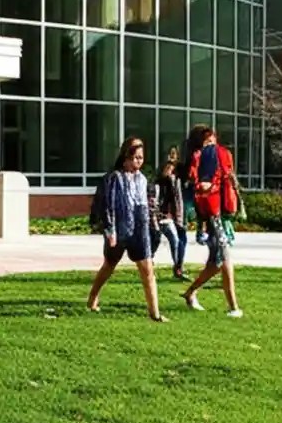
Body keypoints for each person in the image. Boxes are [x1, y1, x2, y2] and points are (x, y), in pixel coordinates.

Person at [85, 137, 166, 322]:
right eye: (135, 157)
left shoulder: (142, 179)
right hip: (120, 228)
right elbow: (108, 205)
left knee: (147, 269)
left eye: (141, 157)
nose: (138, 161)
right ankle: (92, 297)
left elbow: (148, 206)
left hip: (140, 228)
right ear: (125, 157)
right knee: (109, 265)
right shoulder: (115, 178)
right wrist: (110, 230)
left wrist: (154, 226)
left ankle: (155, 313)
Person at [181, 127, 242, 317]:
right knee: (222, 260)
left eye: (213, 139)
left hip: (221, 214)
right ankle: (233, 307)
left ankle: (191, 293)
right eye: (208, 141)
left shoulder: (218, 158)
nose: (212, 144)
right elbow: (198, 186)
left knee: (219, 262)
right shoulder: (199, 160)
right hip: (212, 215)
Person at [151, 160, 187, 280]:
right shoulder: (156, 184)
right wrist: (155, 218)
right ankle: (149, 264)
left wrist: (178, 219)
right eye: (167, 169)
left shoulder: (173, 184)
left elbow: (177, 201)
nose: (169, 172)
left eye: (172, 170)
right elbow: (153, 202)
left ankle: (177, 268)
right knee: (154, 243)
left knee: (175, 241)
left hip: (167, 218)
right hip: (156, 218)